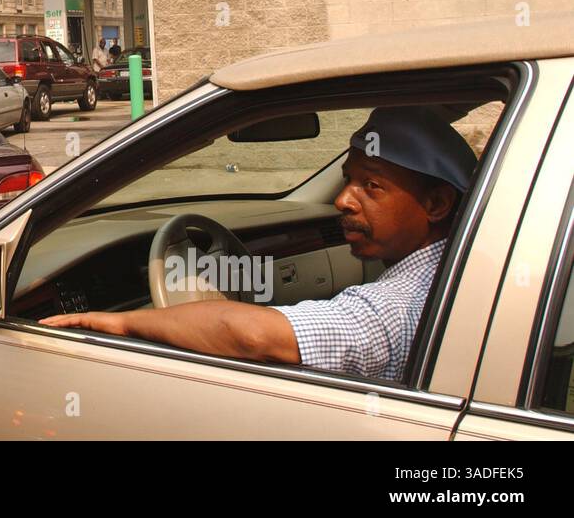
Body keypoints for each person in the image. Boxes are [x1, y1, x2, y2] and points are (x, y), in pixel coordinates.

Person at [42, 107, 478, 382]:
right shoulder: (457, 268)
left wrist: (121, 323)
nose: (343, 200)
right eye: (347, 180)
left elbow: (252, 336)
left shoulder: (391, 309)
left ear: (436, 204)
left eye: (372, 186)